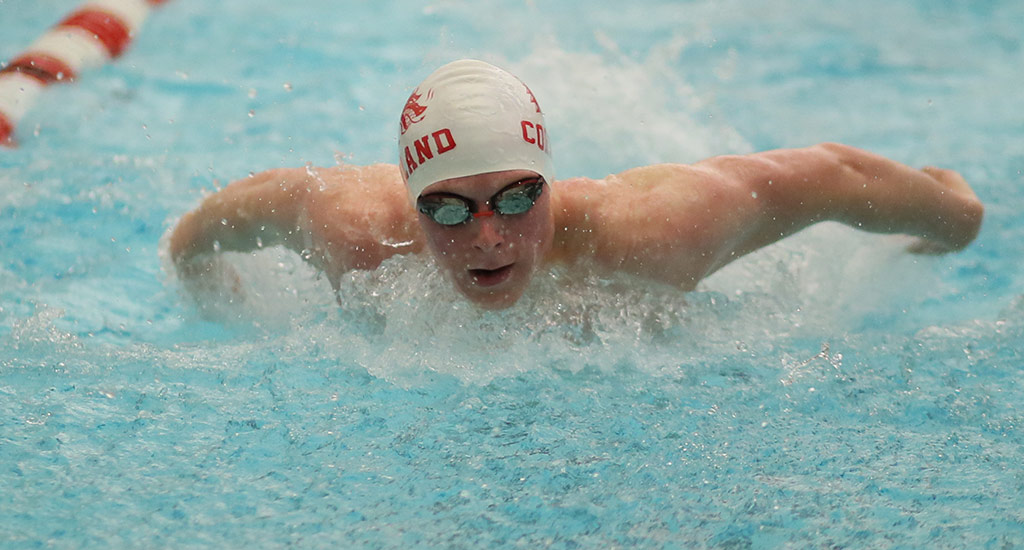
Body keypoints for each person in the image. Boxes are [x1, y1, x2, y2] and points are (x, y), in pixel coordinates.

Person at [169, 59, 984, 311]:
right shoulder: (354, 230)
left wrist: (954, 217)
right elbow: (200, 231)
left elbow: (833, 177)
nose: (488, 234)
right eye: (449, 207)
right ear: (410, 203)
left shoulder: (658, 230)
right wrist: (211, 292)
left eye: (518, 197)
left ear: (553, 186)